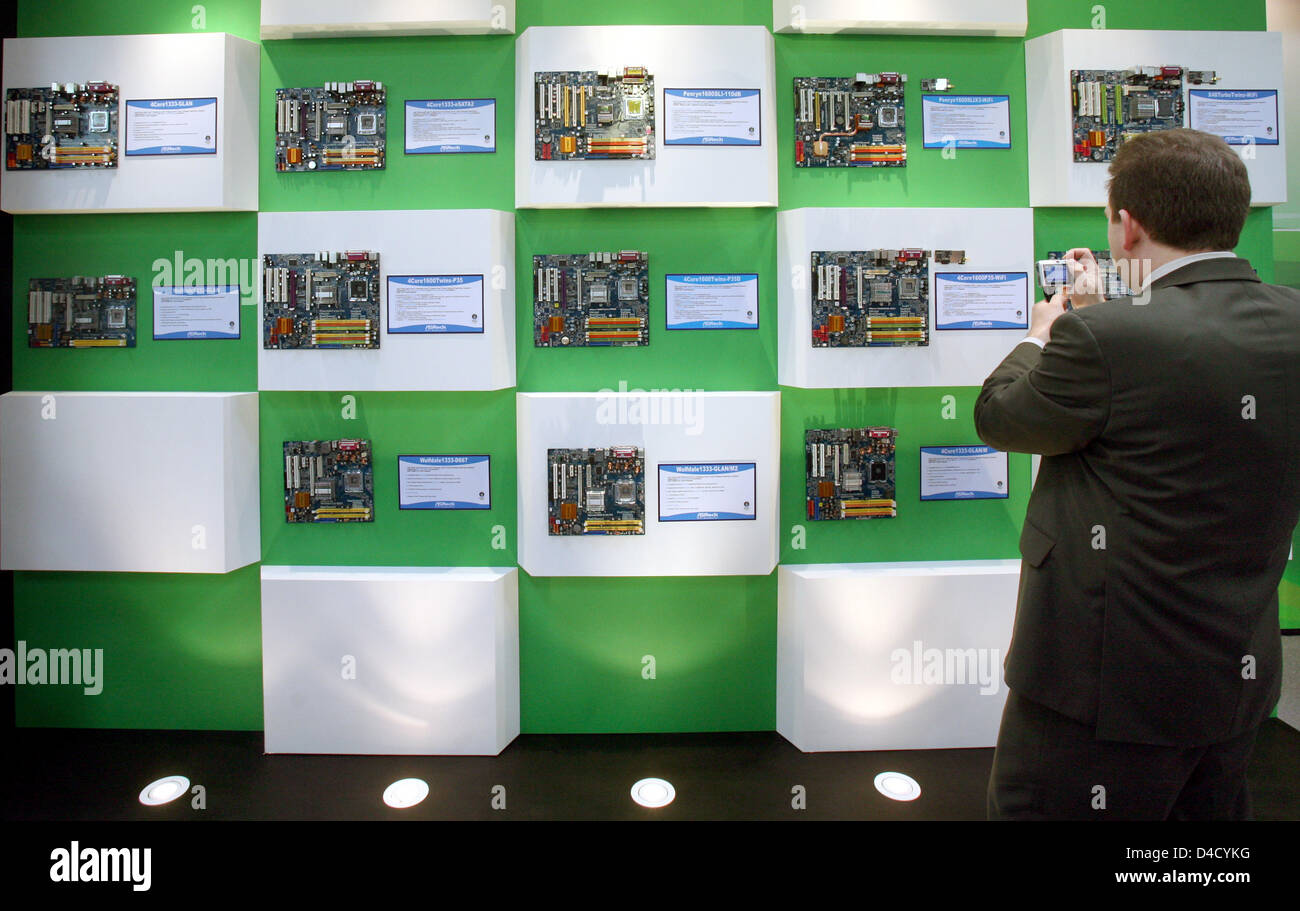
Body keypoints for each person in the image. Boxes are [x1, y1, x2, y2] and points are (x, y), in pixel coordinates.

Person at [974, 128, 1300, 820]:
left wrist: (1042, 335)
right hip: (1235, 679)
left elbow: (1001, 417)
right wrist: (1100, 323)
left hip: (1100, 692)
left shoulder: (1102, 339)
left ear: (1127, 227)